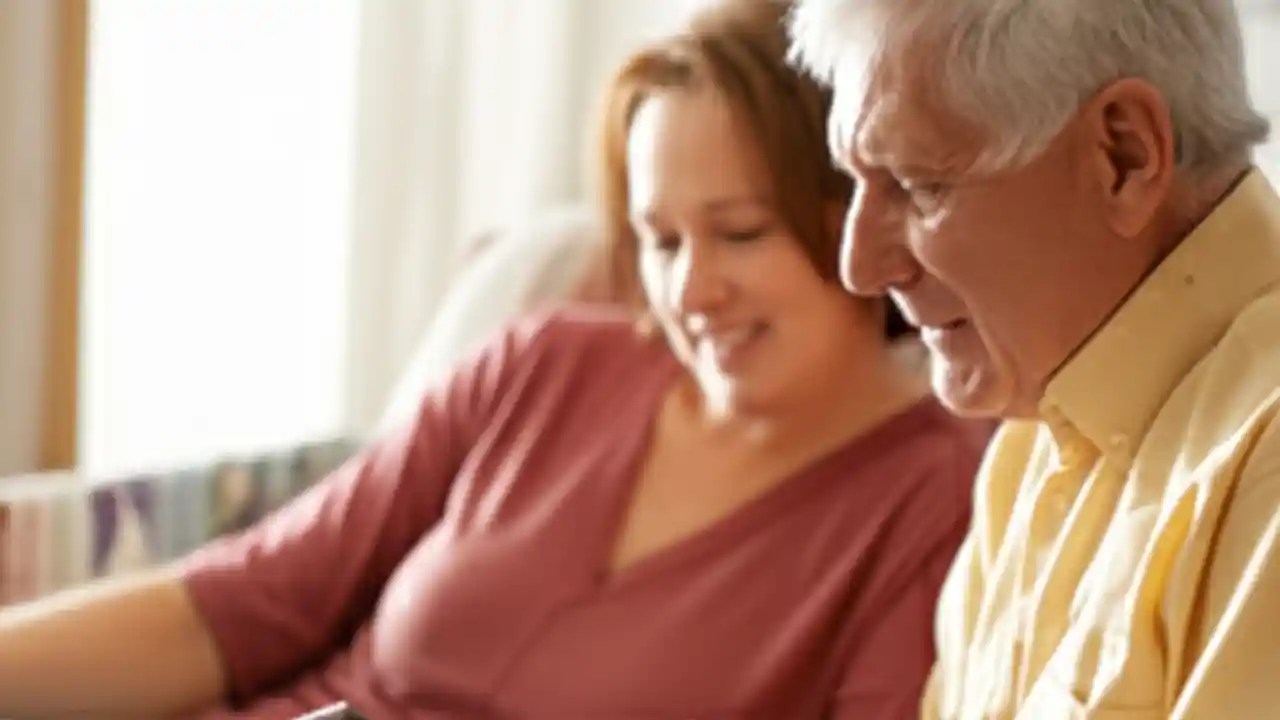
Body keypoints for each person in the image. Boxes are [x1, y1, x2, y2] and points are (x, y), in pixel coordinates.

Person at [0, 2, 988, 718]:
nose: (689, 293)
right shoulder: (544, 363)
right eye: (658, 239)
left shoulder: (932, 495)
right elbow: (238, 607)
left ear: (846, 215)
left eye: (736, 234)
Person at [789, 0, 1280, 717]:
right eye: (856, 184)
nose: (861, 268)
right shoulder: (1026, 449)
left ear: (1125, 156)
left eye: (919, 185)